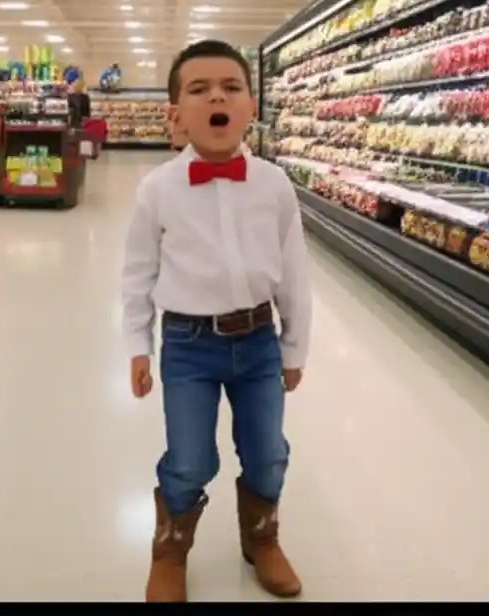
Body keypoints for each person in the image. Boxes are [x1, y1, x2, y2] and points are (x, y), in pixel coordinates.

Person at [120, 39, 312, 602]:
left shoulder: (275, 185)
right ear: (175, 114)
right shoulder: (157, 189)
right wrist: (137, 344)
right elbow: (137, 273)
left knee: (267, 450)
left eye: (231, 87)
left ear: (252, 106)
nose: (217, 98)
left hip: (258, 342)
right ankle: (170, 551)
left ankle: (262, 539)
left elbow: (294, 270)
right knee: (188, 457)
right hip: (187, 344)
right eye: (199, 90)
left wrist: (295, 347)